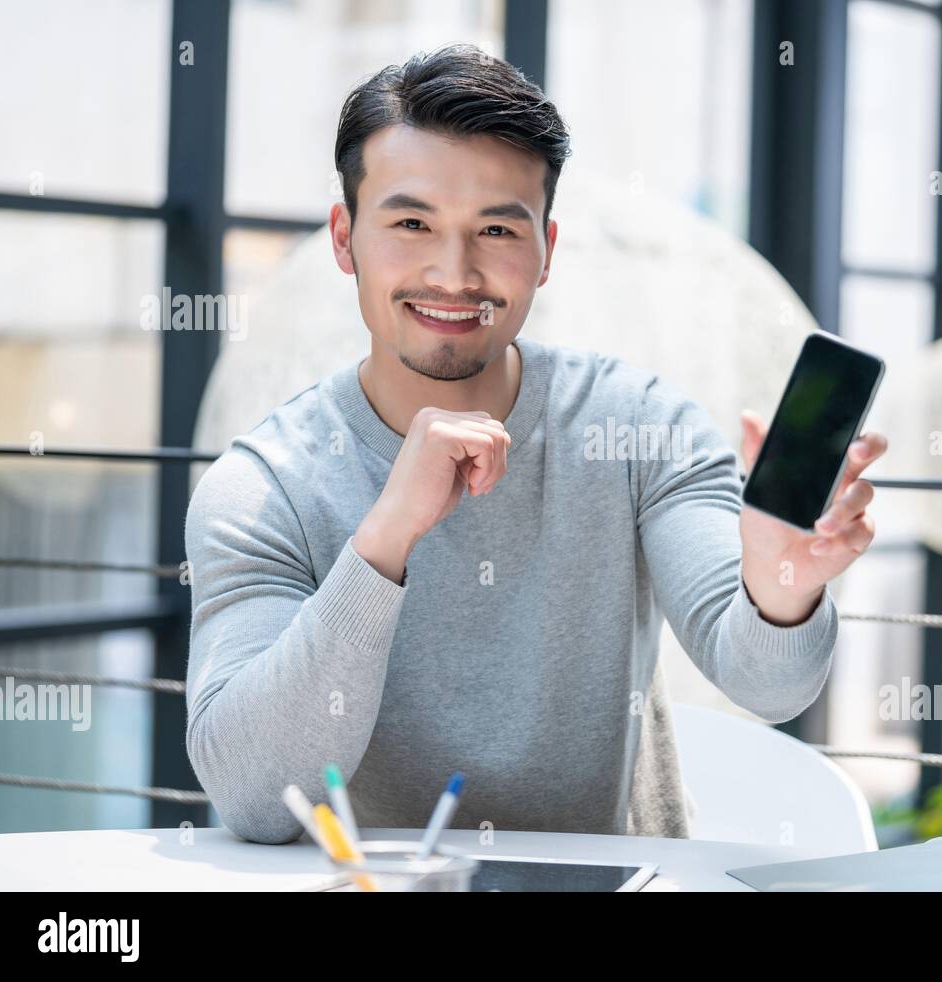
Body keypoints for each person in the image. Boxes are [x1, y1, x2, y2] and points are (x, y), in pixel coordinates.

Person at [184, 43, 886, 844]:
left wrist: (779, 579)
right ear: (344, 239)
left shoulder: (640, 427)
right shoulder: (266, 484)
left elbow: (769, 686)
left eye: (495, 229)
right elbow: (249, 793)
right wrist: (383, 541)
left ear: (546, 249)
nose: (454, 273)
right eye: (411, 223)